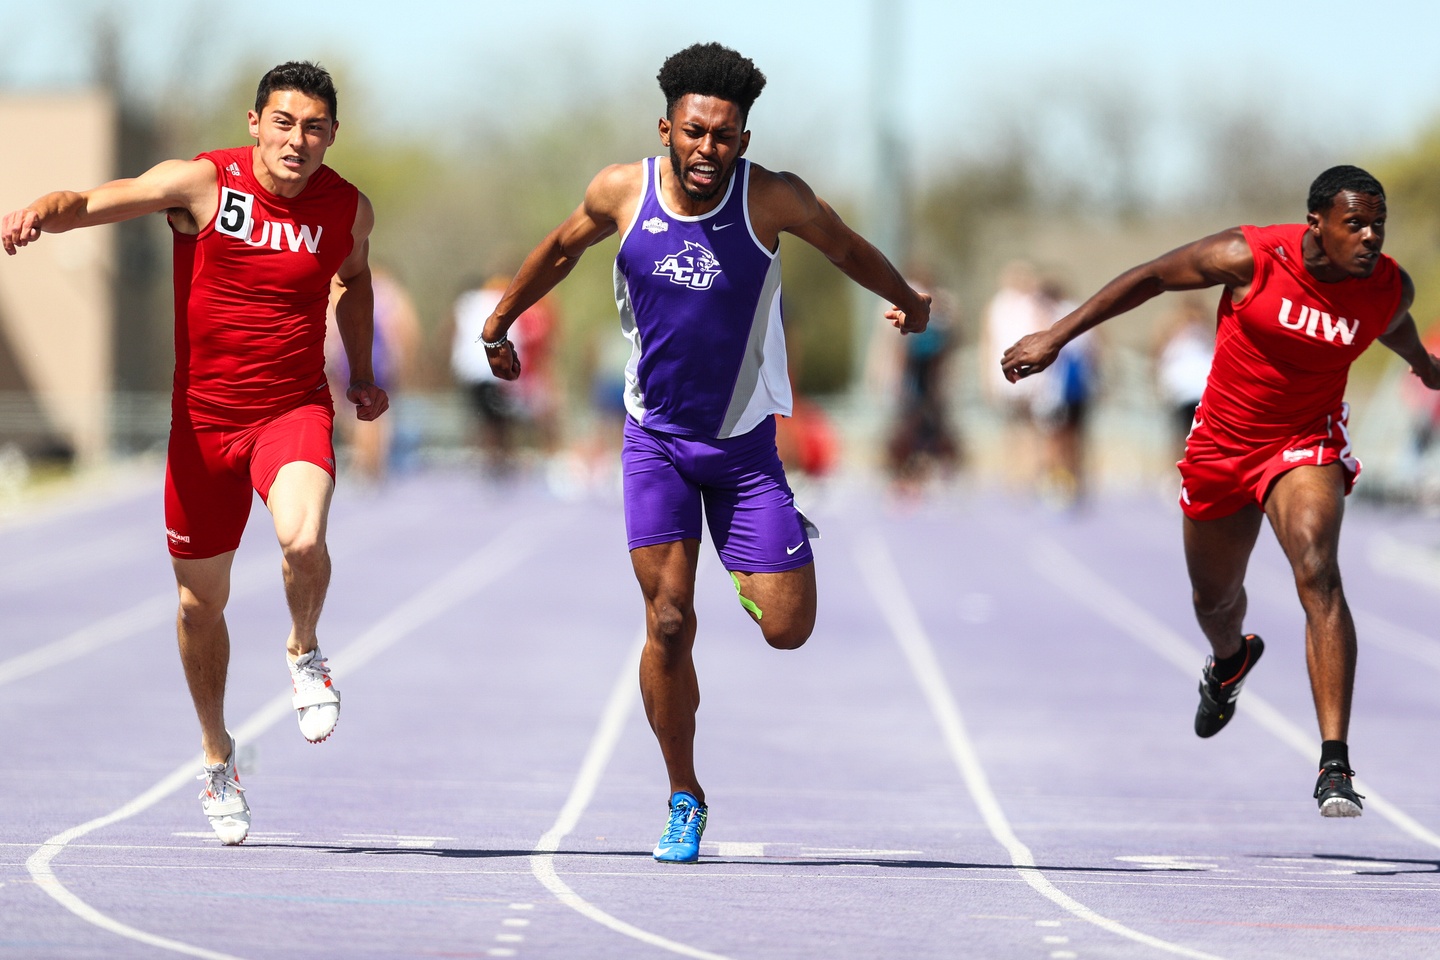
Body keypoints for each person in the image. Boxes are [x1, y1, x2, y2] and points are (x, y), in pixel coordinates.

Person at [478, 43, 929, 863]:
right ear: (667, 130)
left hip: (744, 452)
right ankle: (683, 794)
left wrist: (906, 300)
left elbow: (845, 246)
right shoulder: (622, 191)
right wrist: (499, 321)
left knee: (788, 628)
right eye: (693, 132)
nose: (706, 149)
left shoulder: (771, 199)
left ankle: (758, 548)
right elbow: (560, 247)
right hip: (655, 442)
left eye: (723, 136)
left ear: (742, 140)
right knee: (669, 620)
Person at [2, 61, 387, 845]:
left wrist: (363, 371)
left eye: (314, 128)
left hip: (290, 411)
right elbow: (98, 200)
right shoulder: (205, 184)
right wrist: (44, 210)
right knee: (197, 608)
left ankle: (304, 649)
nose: (297, 140)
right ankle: (217, 754)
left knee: (302, 540)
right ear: (256, 124)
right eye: (283, 123)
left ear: (332, 136)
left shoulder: (347, 208)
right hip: (203, 430)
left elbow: (354, 279)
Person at [1001, 166, 1440, 818]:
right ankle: (1230, 661)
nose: (1371, 237)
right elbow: (1151, 277)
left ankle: (1335, 764)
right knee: (1215, 599)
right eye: (1356, 224)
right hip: (1223, 447)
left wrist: (1426, 368)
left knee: (1318, 569)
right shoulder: (1249, 256)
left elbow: (1391, 321)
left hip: (1304, 443)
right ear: (1317, 223)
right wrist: (1056, 337)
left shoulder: (1386, 285)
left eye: (1379, 225)